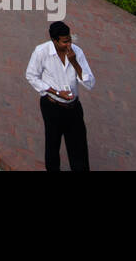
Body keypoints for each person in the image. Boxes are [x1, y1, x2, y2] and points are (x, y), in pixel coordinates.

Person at [25, 20, 94, 171]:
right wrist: (55, 92)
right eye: (64, 42)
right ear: (54, 40)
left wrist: (74, 62)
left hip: (73, 107)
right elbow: (31, 76)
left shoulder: (77, 52)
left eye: (69, 40)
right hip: (52, 106)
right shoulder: (41, 52)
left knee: (79, 148)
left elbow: (89, 83)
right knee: (52, 144)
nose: (68, 44)